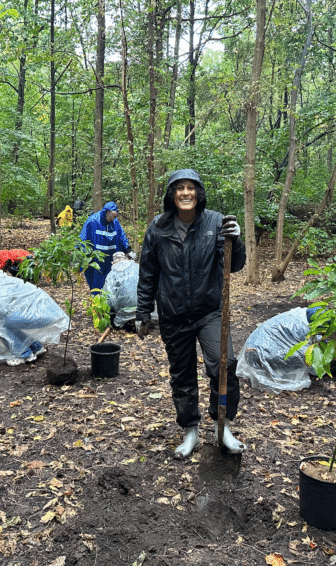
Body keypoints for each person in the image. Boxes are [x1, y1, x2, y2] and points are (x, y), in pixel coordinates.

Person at [136, 169, 246, 459]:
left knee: (225, 365)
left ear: (199, 193)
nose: (185, 193)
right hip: (173, 314)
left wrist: (236, 240)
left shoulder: (216, 222)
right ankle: (191, 432)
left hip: (209, 311)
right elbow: (148, 272)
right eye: (179, 188)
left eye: (190, 188)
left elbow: (234, 265)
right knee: (182, 375)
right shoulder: (158, 227)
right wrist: (143, 311)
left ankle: (222, 426)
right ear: (171, 194)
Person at [0, 264, 69, 366]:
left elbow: (0, 310)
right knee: (10, 322)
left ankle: (24, 354)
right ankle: (36, 347)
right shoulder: (4, 281)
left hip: (40, 314)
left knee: (3, 324)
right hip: (47, 312)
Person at [79, 201, 135, 292]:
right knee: (96, 284)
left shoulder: (114, 222)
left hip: (111, 260)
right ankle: (96, 302)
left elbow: (121, 236)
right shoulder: (92, 221)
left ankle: (109, 303)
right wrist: (81, 254)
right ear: (107, 212)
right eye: (111, 216)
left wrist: (128, 249)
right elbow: (83, 237)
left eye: (114, 217)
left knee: (110, 284)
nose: (112, 219)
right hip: (97, 261)